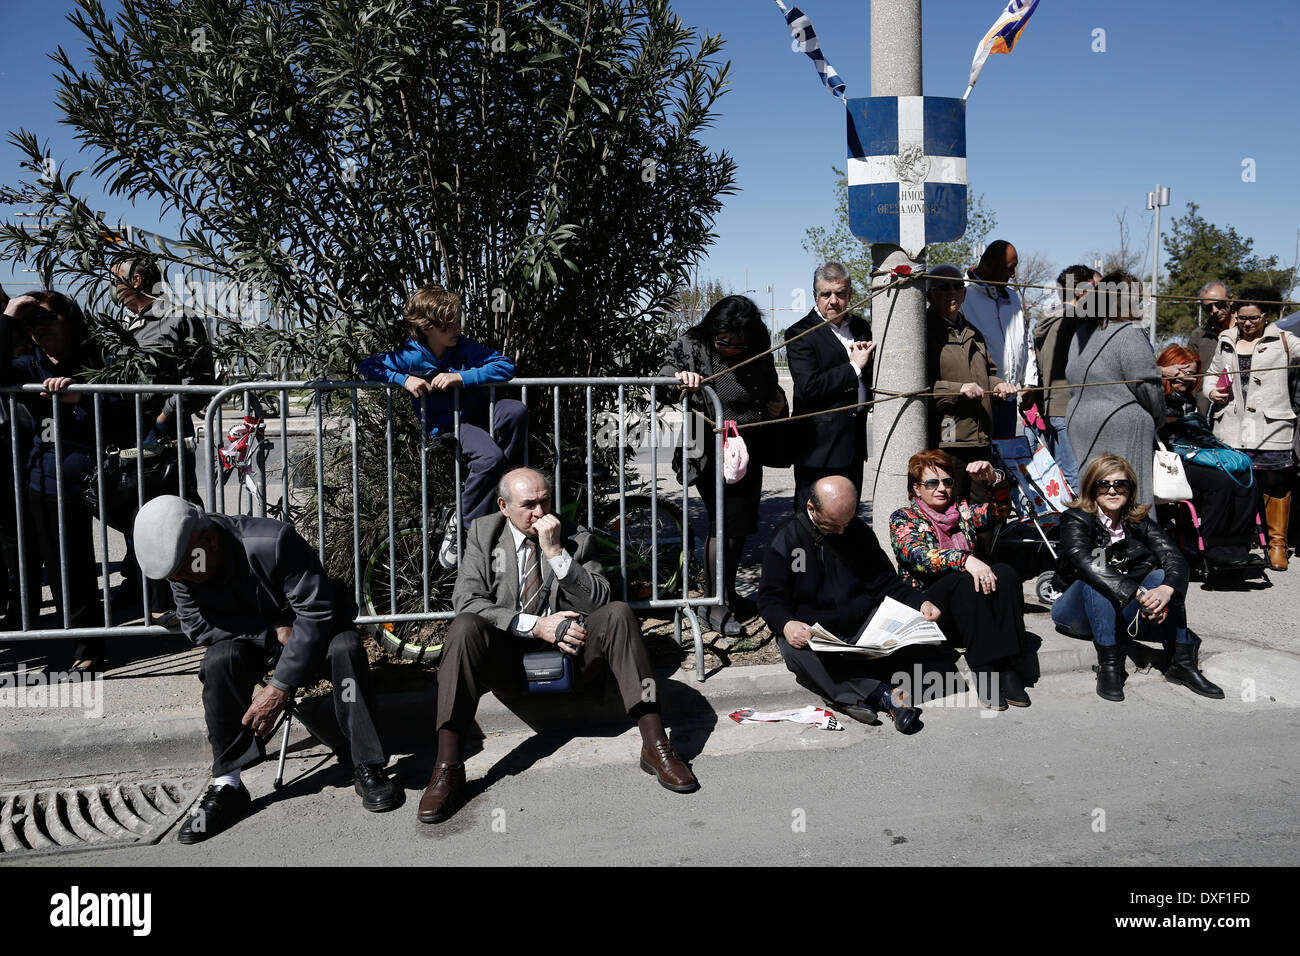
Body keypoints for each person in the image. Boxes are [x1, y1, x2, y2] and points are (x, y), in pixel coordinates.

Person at [419, 467, 698, 824]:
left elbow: (598, 601)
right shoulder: (484, 534)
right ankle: (448, 767)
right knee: (464, 627)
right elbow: (468, 601)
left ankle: (655, 744)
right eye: (528, 505)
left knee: (618, 613)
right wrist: (537, 626)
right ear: (504, 506)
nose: (540, 513)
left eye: (545, 502)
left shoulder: (572, 536)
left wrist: (555, 554)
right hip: (509, 660)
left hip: (573, 655)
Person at [132, 495, 397, 844]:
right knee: (218, 662)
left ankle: (368, 764)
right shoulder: (184, 565)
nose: (180, 580)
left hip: (315, 633)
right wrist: (272, 628)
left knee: (346, 649)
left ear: (208, 540)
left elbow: (316, 613)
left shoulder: (272, 542)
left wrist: (280, 685)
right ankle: (227, 782)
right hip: (261, 639)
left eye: (183, 569)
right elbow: (196, 626)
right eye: (174, 575)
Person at [360, 285, 526, 568]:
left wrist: (462, 377)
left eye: (457, 321)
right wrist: (404, 380)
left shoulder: (463, 347)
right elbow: (368, 366)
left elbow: (505, 366)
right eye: (447, 324)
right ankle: (460, 523)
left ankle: (504, 487)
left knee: (515, 410)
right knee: (490, 457)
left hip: (480, 413)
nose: (456, 328)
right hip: (450, 424)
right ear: (426, 327)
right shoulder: (412, 357)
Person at [757, 475, 932, 732]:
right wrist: (787, 624)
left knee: (911, 633)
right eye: (832, 525)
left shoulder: (857, 532)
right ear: (811, 508)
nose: (840, 531)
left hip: (861, 627)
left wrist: (920, 603)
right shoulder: (788, 539)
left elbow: (885, 582)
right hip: (816, 634)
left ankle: (847, 697)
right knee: (795, 653)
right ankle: (887, 696)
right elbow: (770, 598)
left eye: (845, 523)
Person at [3, 291, 121, 670]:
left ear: (68, 319)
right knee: (66, 566)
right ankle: (87, 647)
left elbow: (137, 401)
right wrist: (8, 315)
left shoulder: (99, 358)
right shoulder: (26, 364)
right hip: (47, 480)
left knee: (154, 548)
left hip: (108, 475)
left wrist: (83, 398)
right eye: (30, 322)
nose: (38, 329)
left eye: (45, 318)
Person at [660, 295, 788, 636]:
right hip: (707, 447)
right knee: (725, 524)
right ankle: (713, 603)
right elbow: (660, 381)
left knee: (741, 525)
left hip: (748, 446)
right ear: (712, 331)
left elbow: (772, 388)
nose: (732, 348)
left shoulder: (758, 345)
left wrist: (778, 403)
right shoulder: (691, 344)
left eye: (739, 343)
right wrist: (678, 377)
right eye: (724, 343)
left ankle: (727, 593)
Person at [1050, 455, 1222, 702]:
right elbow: (1085, 563)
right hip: (1074, 613)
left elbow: (1174, 557)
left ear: (1130, 489)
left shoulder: (1139, 521)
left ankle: (1181, 664)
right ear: (1091, 487)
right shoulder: (1075, 518)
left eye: (1120, 484)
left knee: (1164, 577)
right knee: (1096, 576)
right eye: (1103, 484)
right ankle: (1110, 666)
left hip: (1119, 608)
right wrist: (1137, 593)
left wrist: (1166, 589)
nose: (1112, 491)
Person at [109, 254, 217, 624]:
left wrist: (164, 416)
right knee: (133, 510)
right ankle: (144, 585)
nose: (111, 286)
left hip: (165, 436)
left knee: (176, 512)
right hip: (127, 433)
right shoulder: (122, 323)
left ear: (136, 281)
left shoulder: (178, 318)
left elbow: (199, 376)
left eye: (115, 279)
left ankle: (193, 593)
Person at [889, 449, 1032, 710]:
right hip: (931, 609)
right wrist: (965, 560)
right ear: (916, 489)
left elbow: (1000, 511)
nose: (941, 488)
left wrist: (994, 479)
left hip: (970, 609)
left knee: (1006, 573)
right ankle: (985, 670)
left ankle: (1009, 668)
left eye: (947, 481)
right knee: (964, 579)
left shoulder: (963, 512)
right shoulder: (903, 518)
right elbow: (917, 555)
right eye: (932, 483)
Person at [1204, 287, 1300, 571]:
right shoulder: (1226, 339)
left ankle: (1277, 545)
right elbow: (1211, 374)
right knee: (1237, 486)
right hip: (1232, 428)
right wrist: (1212, 393)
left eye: (1253, 318)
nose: (1246, 324)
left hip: (1271, 429)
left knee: (1274, 484)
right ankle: (1239, 544)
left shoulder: (1284, 340)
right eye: (1242, 318)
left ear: (1267, 315)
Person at [1157, 344, 1263, 571]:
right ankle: (1213, 546)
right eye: (1183, 372)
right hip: (1168, 461)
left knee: (1246, 476)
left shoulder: (1189, 399)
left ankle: (1238, 545)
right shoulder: (1155, 395)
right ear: (1168, 368)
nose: (1187, 379)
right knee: (1221, 481)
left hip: (1196, 454)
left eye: (1192, 374)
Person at [1065, 271, 1165, 505]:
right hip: (1121, 424)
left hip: (1080, 422)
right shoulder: (1128, 331)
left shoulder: (1081, 333)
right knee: (1129, 500)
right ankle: (1132, 540)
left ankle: (1097, 538)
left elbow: (1071, 374)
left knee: (1094, 495)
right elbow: (1146, 383)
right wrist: (1158, 418)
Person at [785, 262, 875, 510]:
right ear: (816, 296)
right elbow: (810, 387)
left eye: (840, 293)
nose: (833, 300)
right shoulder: (800, 333)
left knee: (847, 519)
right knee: (812, 520)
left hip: (853, 444)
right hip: (818, 448)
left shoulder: (861, 328)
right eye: (826, 294)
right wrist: (854, 367)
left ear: (850, 295)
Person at [924, 264, 1016, 501]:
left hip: (980, 438)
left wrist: (997, 385)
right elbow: (919, 388)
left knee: (982, 513)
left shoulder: (973, 332)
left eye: (957, 286)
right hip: (947, 441)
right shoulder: (923, 332)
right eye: (943, 287)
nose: (952, 292)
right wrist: (958, 389)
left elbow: (988, 373)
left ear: (965, 293)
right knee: (950, 510)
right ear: (929, 294)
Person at [1026, 264, 1097, 494]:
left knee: (1062, 476)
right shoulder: (1075, 321)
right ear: (1080, 291)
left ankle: (1064, 526)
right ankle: (1079, 527)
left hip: (1050, 406)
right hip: (1068, 406)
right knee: (1076, 478)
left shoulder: (1048, 319)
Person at [963, 240, 1036, 439]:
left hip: (1009, 399)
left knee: (1006, 463)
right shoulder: (962, 294)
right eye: (1010, 269)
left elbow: (1025, 341)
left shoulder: (1013, 298)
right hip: (979, 401)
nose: (1014, 275)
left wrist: (1029, 382)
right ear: (989, 265)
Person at [1187, 280, 1234, 413]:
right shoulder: (1198, 336)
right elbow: (1190, 374)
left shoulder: (1248, 330)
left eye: (1219, 304)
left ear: (1231, 299)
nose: (1215, 311)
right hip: (1208, 409)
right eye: (1208, 307)